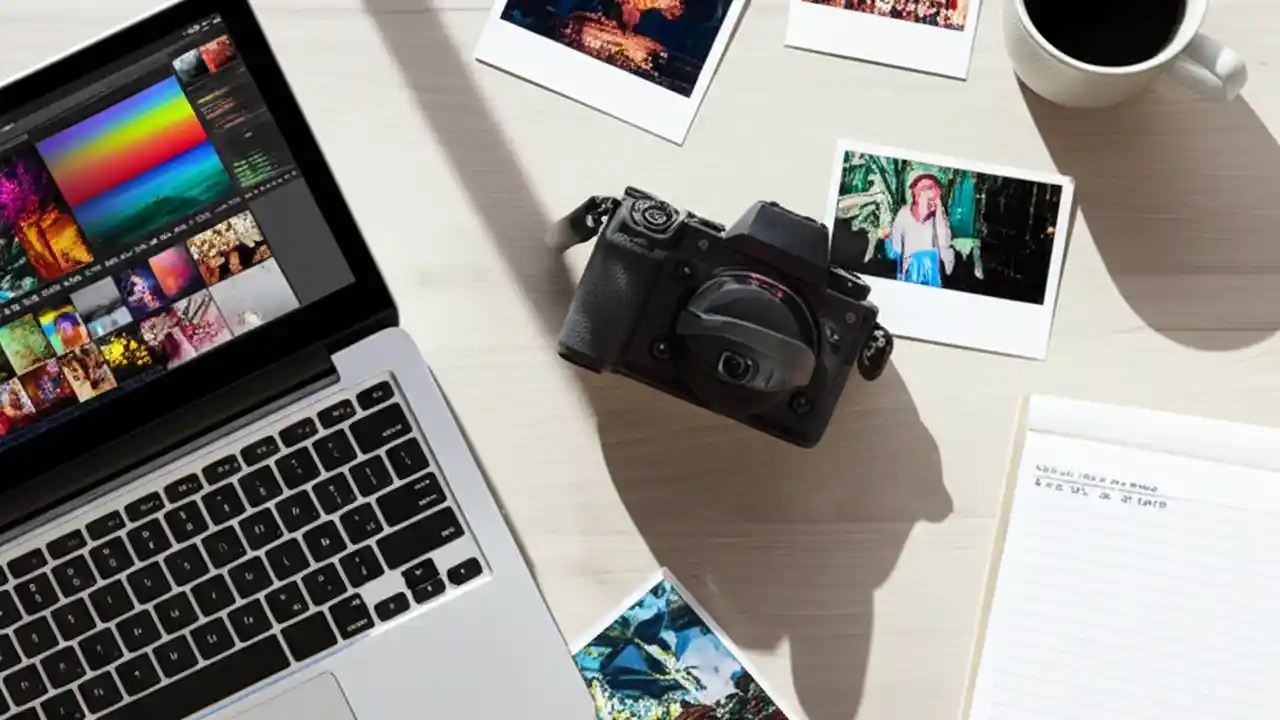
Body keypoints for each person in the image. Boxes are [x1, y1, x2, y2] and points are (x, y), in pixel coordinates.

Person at [886, 173, 955, 287]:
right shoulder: (904, 213)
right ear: (915, 193)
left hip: (932, 273)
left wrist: (938, 210)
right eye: (927, 188)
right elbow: (894, 249)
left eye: (935, 187)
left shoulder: (938, 219)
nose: (934, 192)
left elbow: (945, 244)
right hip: (910, 271)